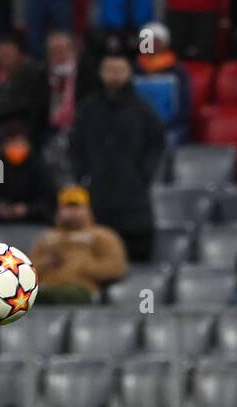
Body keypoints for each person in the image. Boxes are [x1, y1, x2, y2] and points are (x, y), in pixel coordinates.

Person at [69, 51, 167, 262]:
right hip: (97, 198)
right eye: (109, 70)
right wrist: (83, 176)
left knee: (136, 258)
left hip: (133, 202)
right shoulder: (88, 108)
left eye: (119, 70)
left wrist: (143, 175)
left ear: (129, 73)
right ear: (101, 73)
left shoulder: (143, 110)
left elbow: (157, 144)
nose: (114, 75)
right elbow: (75, 146)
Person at [29, 185, 127, 304]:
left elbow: (116, 268)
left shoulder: (102, 236)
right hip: (47, 288)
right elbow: (27, 270)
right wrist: (46, 262)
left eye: (77, 207)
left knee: (69, 295)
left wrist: (81, 265)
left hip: (83, 290)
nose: (72, 212)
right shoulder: (47, 238)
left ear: (88, 209)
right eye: (67, 207)